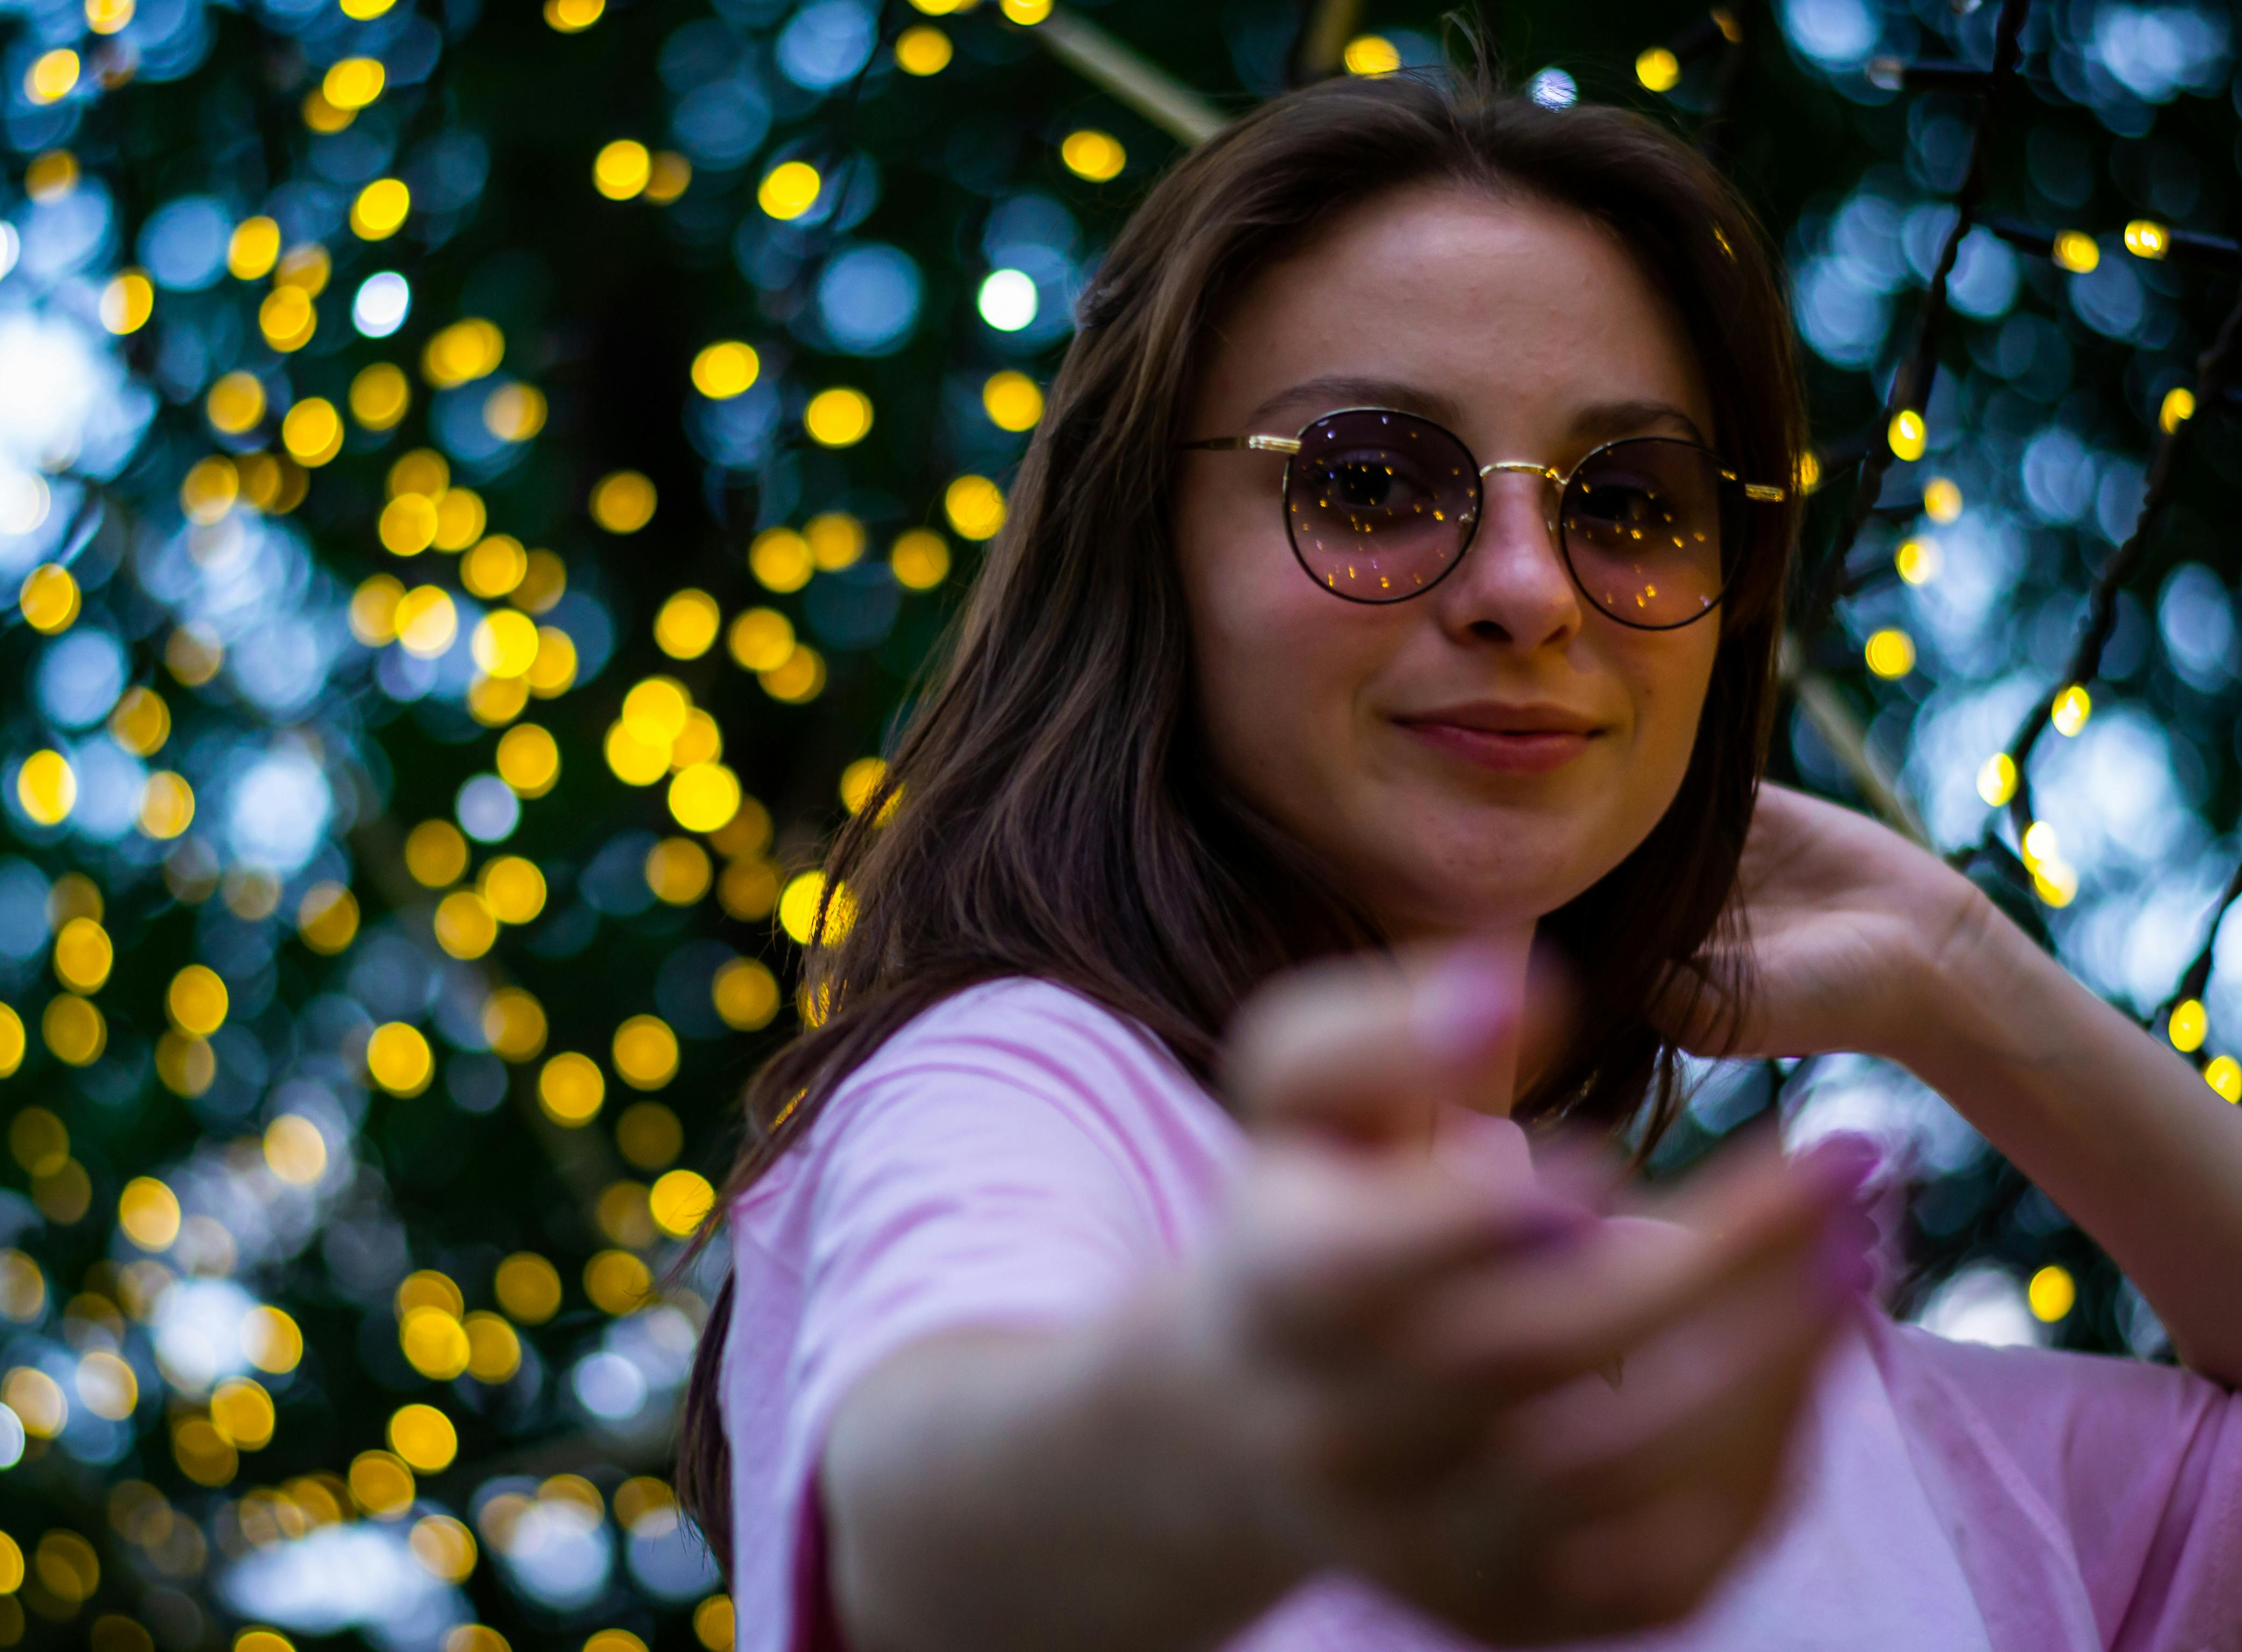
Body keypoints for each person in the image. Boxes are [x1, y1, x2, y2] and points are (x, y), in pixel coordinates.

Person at [677, 71, 2242, 1651]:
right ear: (1148, 552)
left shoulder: (1800, 1387)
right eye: (1367, 480)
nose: (1526, 588)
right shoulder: (1024, 1084)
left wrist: (1963, 977)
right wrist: (1232, 1456)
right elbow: (934, 1529)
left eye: (1631, 507)